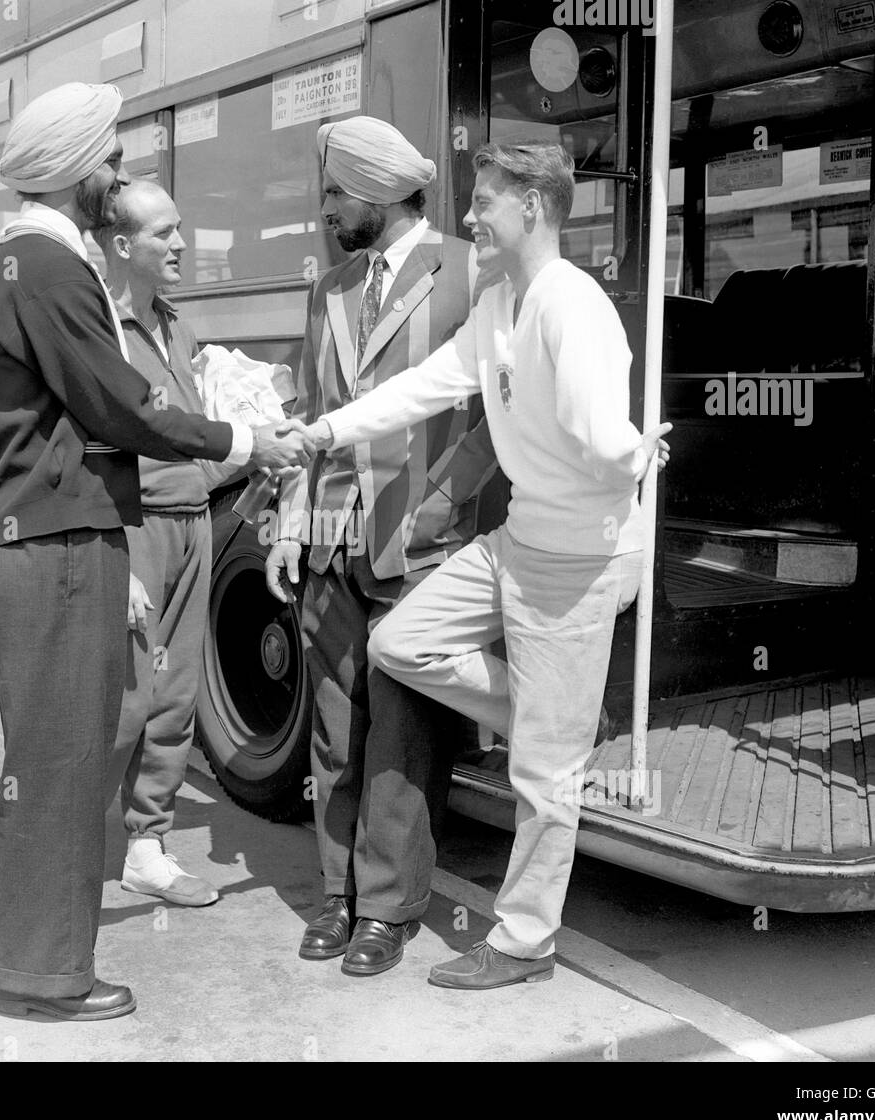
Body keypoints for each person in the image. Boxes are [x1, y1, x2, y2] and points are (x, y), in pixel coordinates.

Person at [0, 83, 310, 1022]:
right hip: (57, 538)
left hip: (22, 536)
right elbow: (120, 406)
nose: (116, 175)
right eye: (107, 159)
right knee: (67, 758)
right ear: (70, 170)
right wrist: (237, 441)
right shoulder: (51, 268)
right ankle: (44, 973)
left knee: (44, 747)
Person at [287, 142, 671, 990]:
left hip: (577, 556)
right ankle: (553, 721)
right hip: (516, 544)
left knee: (540, 775)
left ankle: (525, 940)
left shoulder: (575, 307)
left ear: (532, 206)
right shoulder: (499, 301)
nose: (469, 217)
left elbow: (603, 437)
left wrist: (634, 455)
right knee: (400, 644)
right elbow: (425, 385)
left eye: (485, 201)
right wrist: (323, 432)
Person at [265, 115, 499, 976]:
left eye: (335, 193)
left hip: (421, 540)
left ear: (378, 192)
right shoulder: (329, 287)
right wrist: (291, 519)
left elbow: (492, 416)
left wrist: (443, 502)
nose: (325, 209)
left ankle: (389, 906)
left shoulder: (468, 271)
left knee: (403, 736)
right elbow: (311, 419)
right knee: (336, 729)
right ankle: (337, 894)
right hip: (329, 538)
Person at [97, 181, 219, 907]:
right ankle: (65, 842)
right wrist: (118, 557)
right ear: (122, 247)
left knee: (176, 697)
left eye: (179, 229)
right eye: (162, 234)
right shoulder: (102, 330)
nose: (179, 245)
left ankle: (147, 845)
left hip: (193, 520)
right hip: (135, 526)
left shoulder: (177, 324)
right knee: (126, 702)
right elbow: (90, 448)